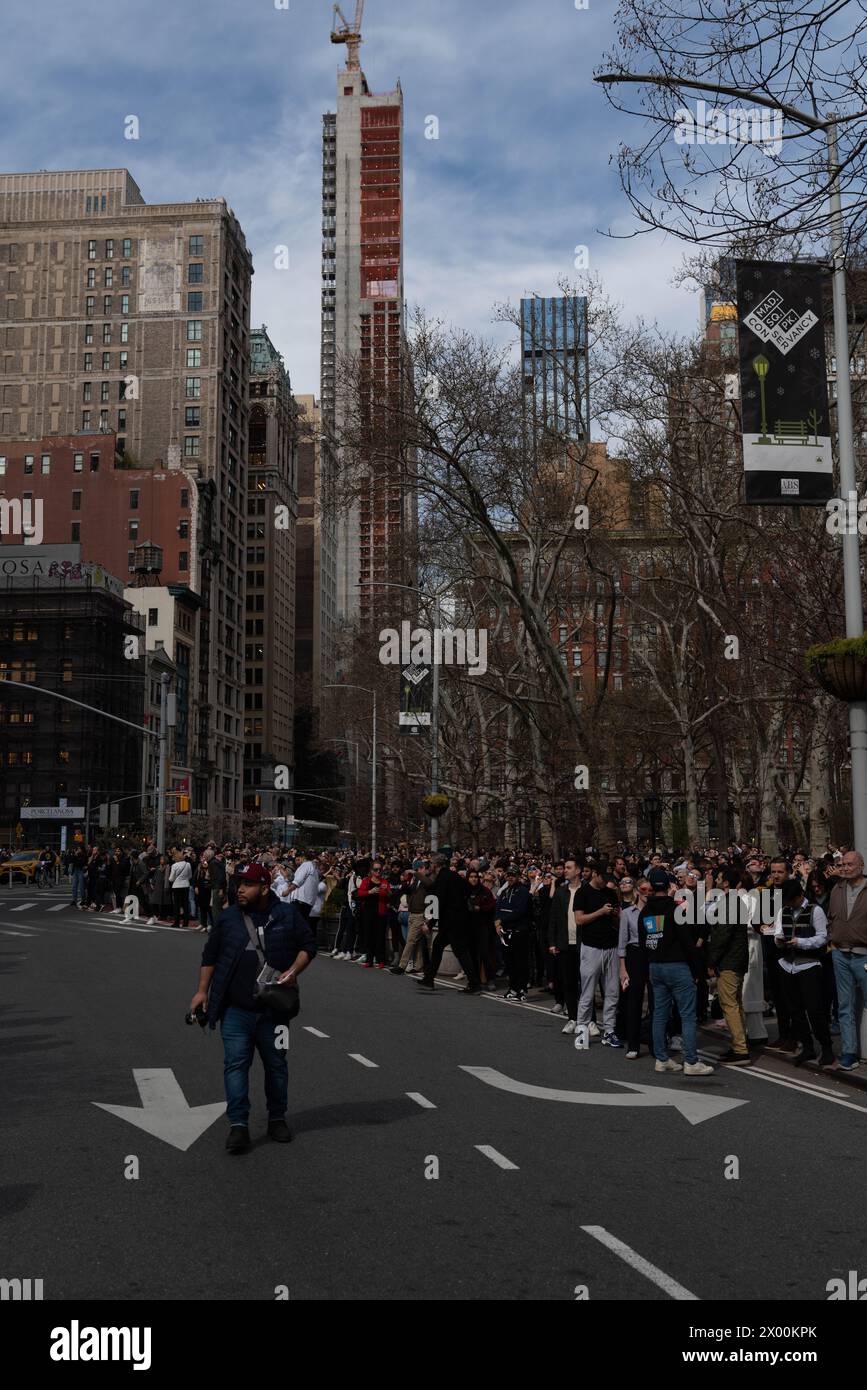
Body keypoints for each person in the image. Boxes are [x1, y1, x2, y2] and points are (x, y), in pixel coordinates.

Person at [189, 862, 317, 1154]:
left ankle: (277, 1118)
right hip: (235, 1009)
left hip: (275, 1011)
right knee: (235, 1065)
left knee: (277, 1066)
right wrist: (201, 992)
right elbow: (210, 954)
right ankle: (238, 1125)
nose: (240, 890)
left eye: (246, 884)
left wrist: (295, 970)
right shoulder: (229, 917)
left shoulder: (286, 914)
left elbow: (308, 946)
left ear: (264, 887)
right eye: (238, 884)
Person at [643, 867, 714, 1076]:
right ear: (668, 886)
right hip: (677, 965)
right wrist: (697, 969)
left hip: (655, 966)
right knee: (687, 1016)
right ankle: (691, 1061)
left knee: (659, 1015)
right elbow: (687, 942)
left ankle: (661, 1059)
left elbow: (643, 940)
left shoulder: (645, 911)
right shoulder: (675, 909)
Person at [774, 876, 834, 1069]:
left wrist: (801, 942)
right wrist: (780, 940)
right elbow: (777, 932)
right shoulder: (784, 910)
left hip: (808, 965)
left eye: (793, 900)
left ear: (800, 895)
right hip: (787, 965)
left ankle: (827, 1048)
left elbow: (822, 938)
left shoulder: (815, 910)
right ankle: (807, 1047)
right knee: (795, 1011)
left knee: (815, 1010)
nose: (790, 904)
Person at [825, 850, 867, 1071]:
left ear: (861, 866)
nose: (845, 868)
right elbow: (831, 917)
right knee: (844, 1006)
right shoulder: (837, 889)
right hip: (840, 953)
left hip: (864, 955)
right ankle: (849, 1053)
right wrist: (833, 939)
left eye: (850, 864)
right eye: (842, 864)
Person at [706, 867, 752, 1065]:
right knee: (736, 1003)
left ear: (726, 883)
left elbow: (722, 935)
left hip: (730, 961)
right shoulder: (733, 902)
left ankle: (741, 1049)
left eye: (719, 877)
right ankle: (739, 1044)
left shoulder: (729, 903)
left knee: (729, 1004)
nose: (716, 879)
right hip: (736, 959)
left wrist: (711, 960)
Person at [574, 862, 623, 1048]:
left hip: (610, 946)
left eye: (609, 879)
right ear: (595, 874)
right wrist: (601, 912)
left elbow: (617, 917)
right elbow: (579, 919)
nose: (606, 882)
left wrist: (615, 914)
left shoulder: (610, 892)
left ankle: (609, 1030)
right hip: (591, 947)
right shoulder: (583, 893)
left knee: (612, 992)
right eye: (604, 878)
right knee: (588, 991)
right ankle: (582, 1029)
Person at [418, 854, 481, 993]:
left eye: (432, 864)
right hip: (457, 920)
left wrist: (429, 923)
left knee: (461, 951)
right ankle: (429, 979)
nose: (431, 866)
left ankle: (475, 983)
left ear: (436, 865)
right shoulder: (453, 876)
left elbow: (438, 902)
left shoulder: (443, 878)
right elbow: (468, 888)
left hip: (452, 921)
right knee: (439, 945)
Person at [548, 857, 585, 1034]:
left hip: (584, 944)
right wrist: (552, 942)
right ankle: (572, 1018)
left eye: (569, 868)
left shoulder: (586, 891)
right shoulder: (561, 892)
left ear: (578, 871)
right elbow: (553, 918)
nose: (565, 870)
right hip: (564, 944)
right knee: (568, 983)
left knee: (585, 984)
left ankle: (588, 1020)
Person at [617, 877, 653, 1058]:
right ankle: (633, 1044)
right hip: (634, 955)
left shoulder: (655, 911)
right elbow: (622, 942)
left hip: (652, 954)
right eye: (644, 890)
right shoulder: (627, 913)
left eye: (650, 890)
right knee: (634, 1001)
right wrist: (622, 968)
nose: (647, 893)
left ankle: (656, 1044)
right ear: (638, 891)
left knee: (655, 1001)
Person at [495, 866, 532, 1002]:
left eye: (513, 875)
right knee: (509, 962)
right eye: (508, 875)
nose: (510, 877)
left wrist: (501, 920)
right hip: (506, 931)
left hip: (519, 931)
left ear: (518, 876)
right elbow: (498, 908)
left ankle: (522, 990)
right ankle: (513, 988)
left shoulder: (523, 891)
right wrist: (497, 923)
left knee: (520, 962)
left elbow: (519, 911)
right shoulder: (505, 891)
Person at [281, 847, 320, 920]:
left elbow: (297, 882)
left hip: (300, 901)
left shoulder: (306, 865)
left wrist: (287, 891)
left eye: (297, 859)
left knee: (296, 926)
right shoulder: (314, 867)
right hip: (307, 902)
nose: (296, 861)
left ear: (302, 858)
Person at [169, 848, 193, 930]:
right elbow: (190, 876)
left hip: (177, 886)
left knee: (177, 905)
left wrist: (172, 879)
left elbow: (171, 878)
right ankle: (186, 922)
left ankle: (177, 922)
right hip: (186, 885)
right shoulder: (188, 864)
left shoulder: (174, 866)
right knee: (185, 904)